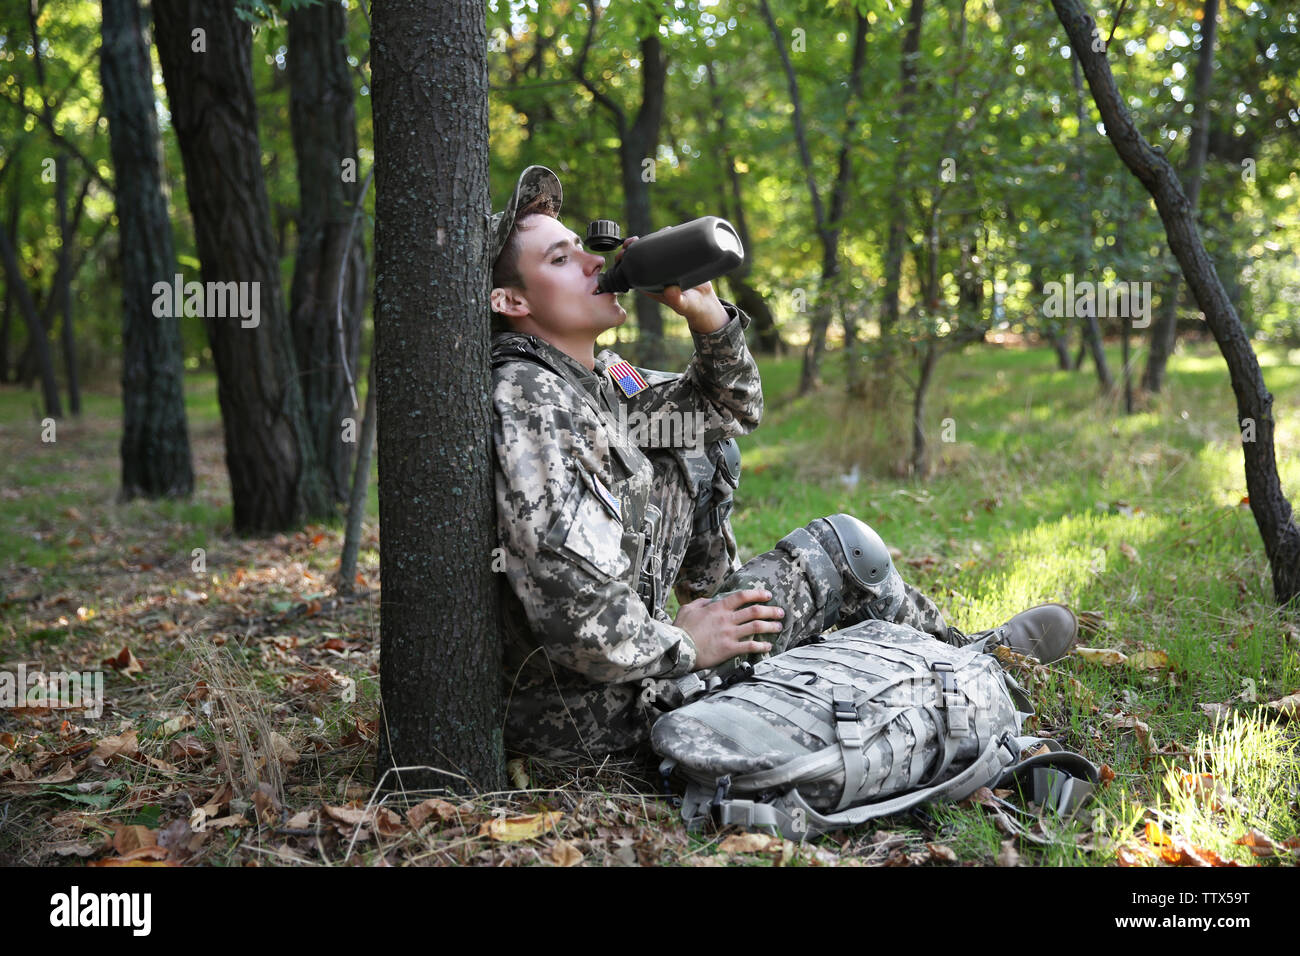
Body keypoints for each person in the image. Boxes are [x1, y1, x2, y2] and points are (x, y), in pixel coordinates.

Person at [487, 165, 1078, 761]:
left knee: (699, 447)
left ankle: (957, 655)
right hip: (592, 714)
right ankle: (974, 662)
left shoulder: (589, 387)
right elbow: (571, 608)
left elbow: (727, 411)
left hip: (627, 674)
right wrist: (685, 642)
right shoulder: (531, 398)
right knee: (842, 551)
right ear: (510, 299)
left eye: (584, 249)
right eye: (560, 260)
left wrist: (706, 315)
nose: (593, 262)